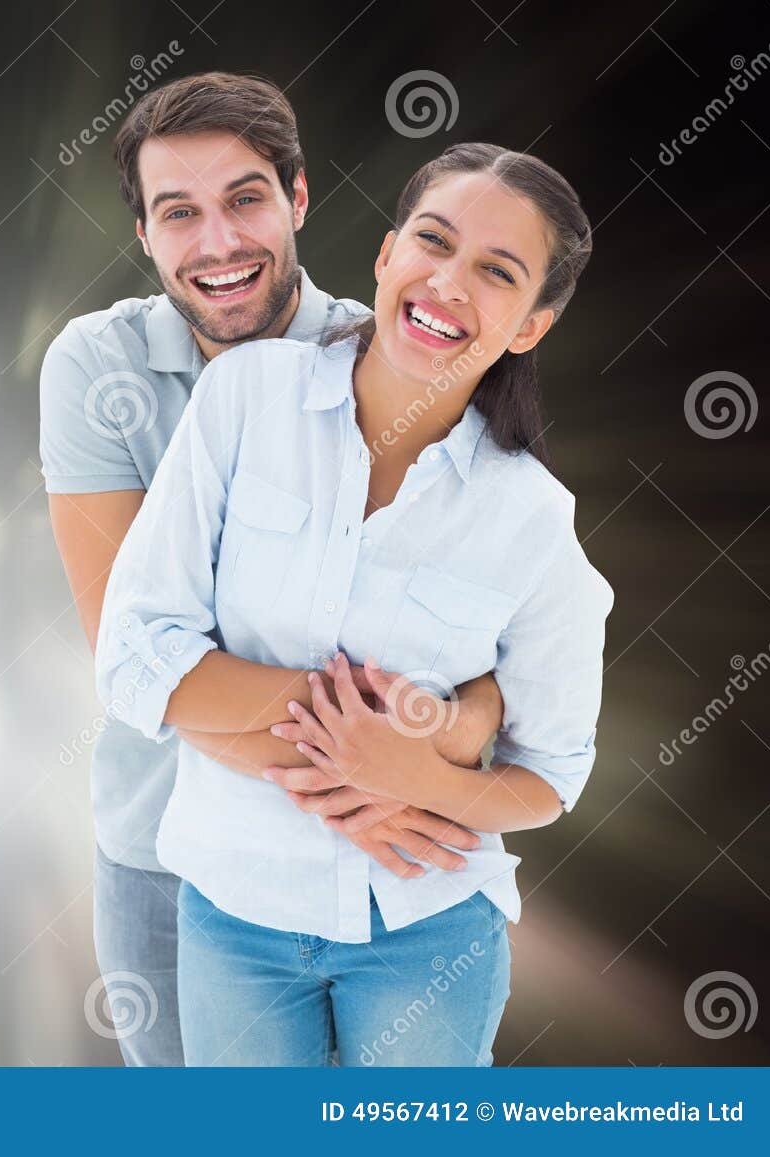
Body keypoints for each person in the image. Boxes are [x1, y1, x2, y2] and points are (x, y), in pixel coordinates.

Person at [94, 141, 612, 1066]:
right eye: (433, 241)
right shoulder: (245, 397)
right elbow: (136, 653)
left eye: (497, 272)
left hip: (427, 931)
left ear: (531, 325)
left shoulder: (533, 519)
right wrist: (403, 739)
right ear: (385, 254)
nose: (447, 283)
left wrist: (426, 778)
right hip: (232, 912)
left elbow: (552, 774)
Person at [39, 73, 504, 1067]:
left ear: (296, 197)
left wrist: (427, 750)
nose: (217, 242)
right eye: (178, 212)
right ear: (144, 233)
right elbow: (134, 656)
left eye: (244, 198)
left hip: (366, 869)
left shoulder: (394, 364)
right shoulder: (97, 368)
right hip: (167, 854)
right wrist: (371, 771)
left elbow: (474, 654)